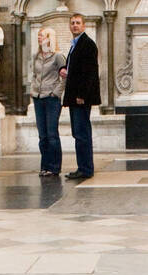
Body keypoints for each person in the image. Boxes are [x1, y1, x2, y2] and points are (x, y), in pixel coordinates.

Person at [61, 13, 100, 181]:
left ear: (83, 26)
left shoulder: (87, 44)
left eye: (78, 23)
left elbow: (89, 73)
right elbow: (75, 68)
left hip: (80, 96)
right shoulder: (76, 44)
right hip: (75, 95)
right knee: (78, 132)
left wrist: (82, 95)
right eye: (72, 23)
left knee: (82, 132)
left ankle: (86, 168)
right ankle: (83, 166)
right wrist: (64, 69)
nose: (75, 25)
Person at [29, 28, 65, 177]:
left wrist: (55, 93)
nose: (39, 37)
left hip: (51, 98)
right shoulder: (36, 56)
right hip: (38, 97)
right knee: (42, 135)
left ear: (50, 38)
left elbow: (65, 77)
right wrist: (33, 89)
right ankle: (45, 165)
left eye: (41, 35)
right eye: (38, 35)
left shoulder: (58, 56)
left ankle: (54, 166)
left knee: (52, 134)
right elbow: (34, 75)